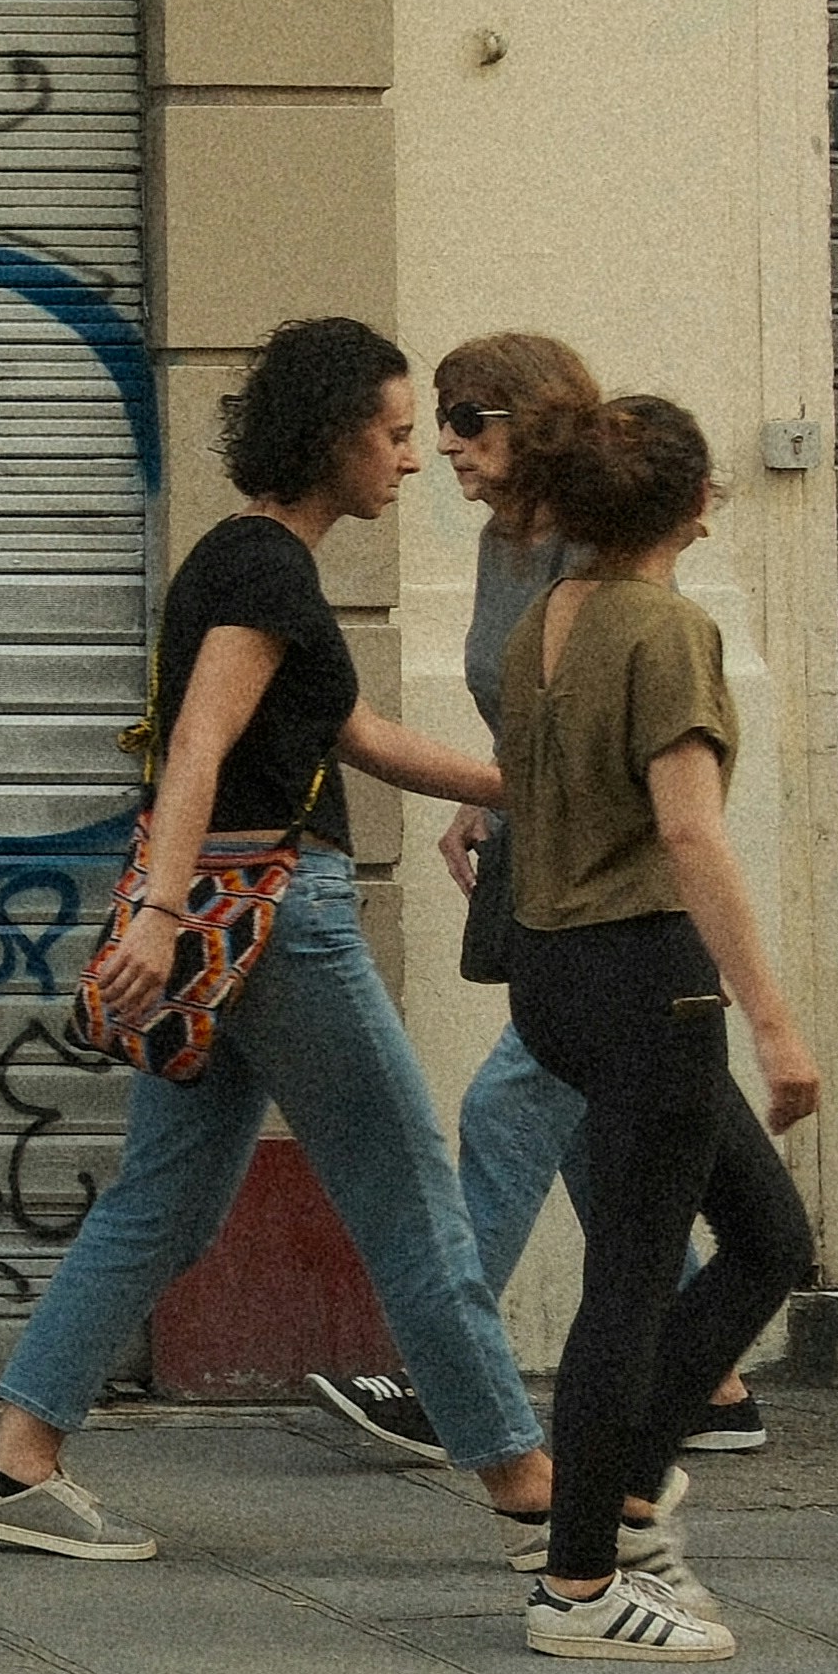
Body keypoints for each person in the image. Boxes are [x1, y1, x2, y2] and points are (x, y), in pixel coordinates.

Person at [0, 317, 558, 1559]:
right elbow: (200, 744)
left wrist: (530, 787)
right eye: (395, 435)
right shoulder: (261, 569)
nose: (409, 460)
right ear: (337, 434)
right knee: (410, 1193)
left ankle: (20, 1462)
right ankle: (526, 1481)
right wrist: (160, 912)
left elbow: (362, 735)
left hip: (228, 928)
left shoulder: (259, 566)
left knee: (166, 1202)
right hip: (275, 922)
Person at [323, 330, 763, 1470]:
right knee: (589, 1132)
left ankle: (445, 1378)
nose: (446, 447)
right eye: (437, 422)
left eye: (467, 419)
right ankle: (708, 1379)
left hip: (613, 894)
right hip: (546, 867)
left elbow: (622, 724)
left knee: (515, 1110)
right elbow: (525, 703)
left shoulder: (601, 547)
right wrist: (493, 796)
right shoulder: (497, 548)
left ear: (533, 422)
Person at [496, 393, 829, 1663]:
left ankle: (623, 1493)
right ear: (693, 507)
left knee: (766, 1239)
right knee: (631, 1285)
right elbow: (689, 828)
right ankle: (580, 1583)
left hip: (558, 970)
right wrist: (778, 1022)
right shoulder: (668, 629)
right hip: (647, 976)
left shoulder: (548, 618)